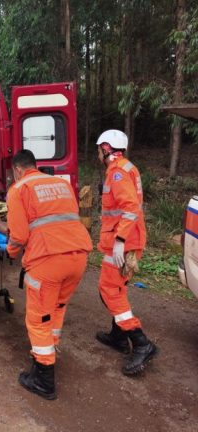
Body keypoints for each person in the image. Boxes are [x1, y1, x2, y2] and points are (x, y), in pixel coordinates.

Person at [6, 150, 92, 400]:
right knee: (56, 309)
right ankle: (48, 353)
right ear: (35, 166)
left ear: (17, 170)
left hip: (48, 261)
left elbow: (19, 236)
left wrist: (11, 253)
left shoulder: (19, 189)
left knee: (38, 318)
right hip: (78, 256)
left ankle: (44, 379)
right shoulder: (60, 184)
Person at [93, 129, 157, 376]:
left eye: (99, 148)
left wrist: (119, 240)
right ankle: (118, 336)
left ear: (107, 148)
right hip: (127, 240)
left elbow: (130, 208)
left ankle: (141, 343)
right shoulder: (126, 167)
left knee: (109, 290)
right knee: (116, 288)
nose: (97, 153)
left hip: (124, 243)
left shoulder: (118, 172)